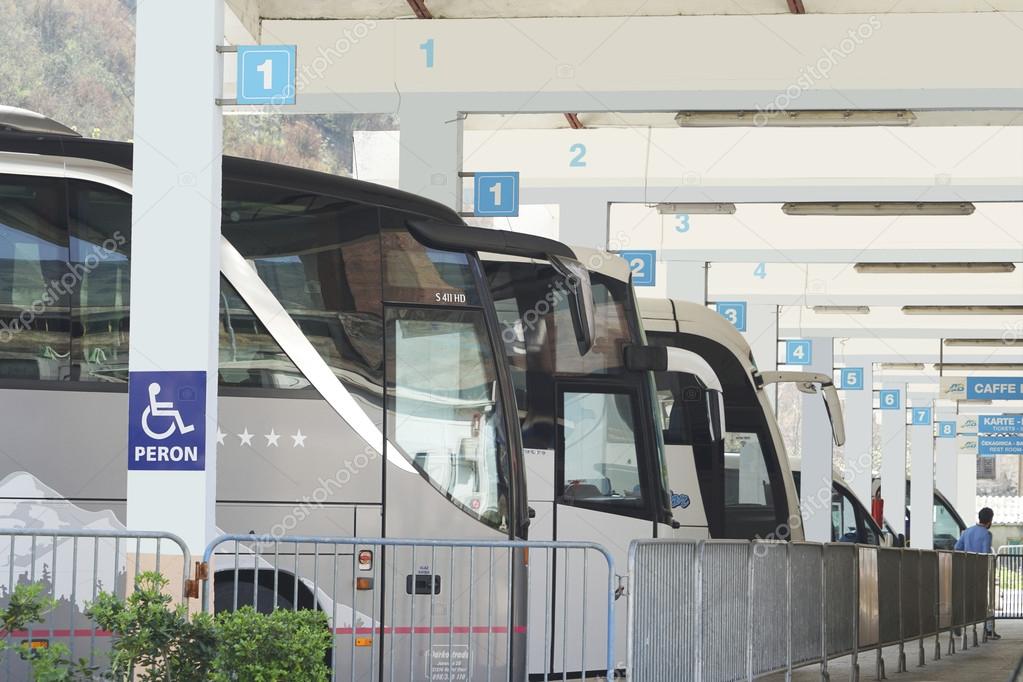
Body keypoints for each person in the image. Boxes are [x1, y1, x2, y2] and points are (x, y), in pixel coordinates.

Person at [955, 507, 1000, 639]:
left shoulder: (967, 532)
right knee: (987, 601)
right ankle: (989, 629)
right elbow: (985, 553)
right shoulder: (986, 534)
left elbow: (957, 548)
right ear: (990, 520)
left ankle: (958, 621)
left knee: (965, 598)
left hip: (966, 570)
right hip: (980, 572)